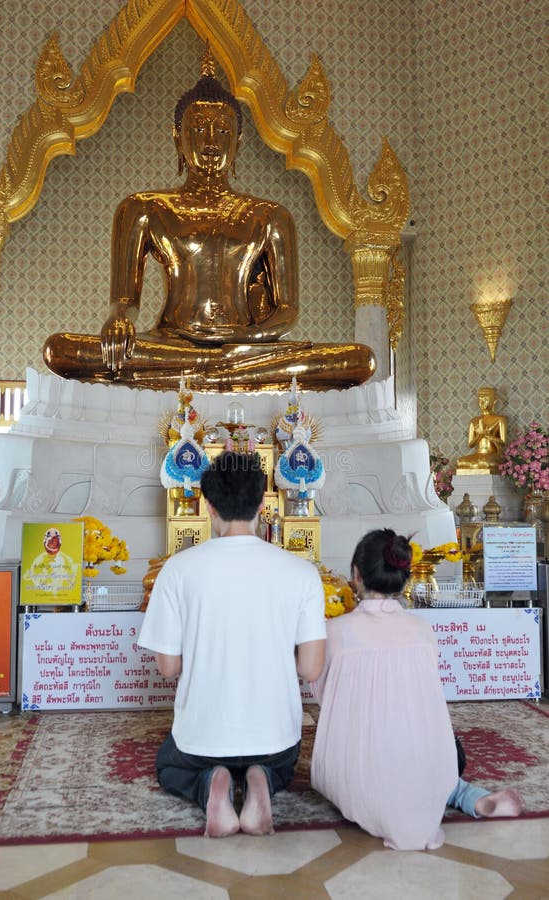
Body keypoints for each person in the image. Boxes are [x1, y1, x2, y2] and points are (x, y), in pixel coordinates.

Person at [43, 45, 375, 392]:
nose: (211, 139)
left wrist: (244, 339)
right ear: (178, 138)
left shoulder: (270, 216)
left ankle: (209, 372)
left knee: (358, 359)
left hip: (246, 346)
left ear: (239, 139)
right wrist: (118, 322)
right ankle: (220, 374)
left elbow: (287, 310)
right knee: (61, 350)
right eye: (199, 128)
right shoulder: (144, 208)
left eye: (222, 128)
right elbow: (124, 302)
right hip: (170, 343)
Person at [137, 450, 326, 837]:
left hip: (200, 739)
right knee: (282, 763)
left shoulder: (177, 569)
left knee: (170, 767)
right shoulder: (302, 573)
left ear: (208, 506)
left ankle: (211, 784)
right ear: (261, 504)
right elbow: (310, 669)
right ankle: (262, 779)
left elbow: (168, 667)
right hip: (276, 739)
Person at [309, 529, 523, 851]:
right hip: (425, 767)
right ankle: (465, 795)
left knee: (363, 753)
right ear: (404, 577)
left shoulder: (336, 631)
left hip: (359, 779)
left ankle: (437, 789)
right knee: (437, 755)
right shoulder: (424, 631)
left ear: (356, 575)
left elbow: (325, 695)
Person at [456, 386, 507, 473]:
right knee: (460, 461)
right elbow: (471, 444)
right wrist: (480, 435)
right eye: (480, 399)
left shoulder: (500, 419)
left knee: (485, 462)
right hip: (478, 454)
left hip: (493, 454)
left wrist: (488, 435)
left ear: (494, 401)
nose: (482, 402)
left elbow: (503, 442)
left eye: (485, 399)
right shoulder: (474, 421)